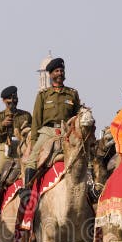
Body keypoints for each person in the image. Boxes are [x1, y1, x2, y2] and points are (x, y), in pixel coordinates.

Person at [23, 57, 81, 194]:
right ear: (50, 74)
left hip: (67, 132)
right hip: (48, 131)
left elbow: (77, 117)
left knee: (83, 157)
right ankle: (27, 192)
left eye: (62, 70)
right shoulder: (43, 95)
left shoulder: (72, 94)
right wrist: (33, 142)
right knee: (32, 160)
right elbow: (36, 120)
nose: (60, 73)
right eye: (57, 71)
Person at [0, 85, 32, 214]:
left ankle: (31, 195)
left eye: (15, 99)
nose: (13, 102)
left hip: (22, 149)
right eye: (9, 100)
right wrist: (3, 125)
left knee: (32, 167)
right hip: (5, 148)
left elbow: (31, 134)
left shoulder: (26, 115)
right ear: (4, 101)